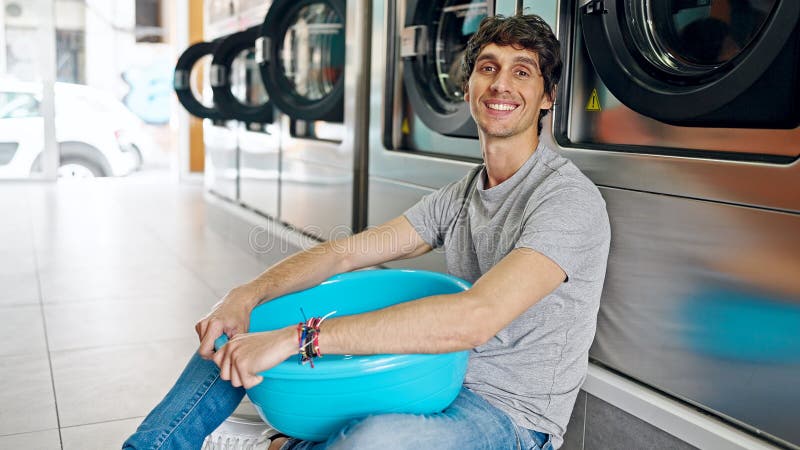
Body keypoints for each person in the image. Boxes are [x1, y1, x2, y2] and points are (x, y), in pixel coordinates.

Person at [125, 14, 610, 450]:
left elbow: (477, 317)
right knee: (237, 331)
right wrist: (245, 295)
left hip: (507, 417)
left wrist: (300, 338)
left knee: (374, 441)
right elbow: (343, 254)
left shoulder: (567, 201)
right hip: (429, 376)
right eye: (488, 68)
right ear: (467, 87)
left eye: (521, 72)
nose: (501, 85)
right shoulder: (462, 195)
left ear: (547, 97)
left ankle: (277, 445)